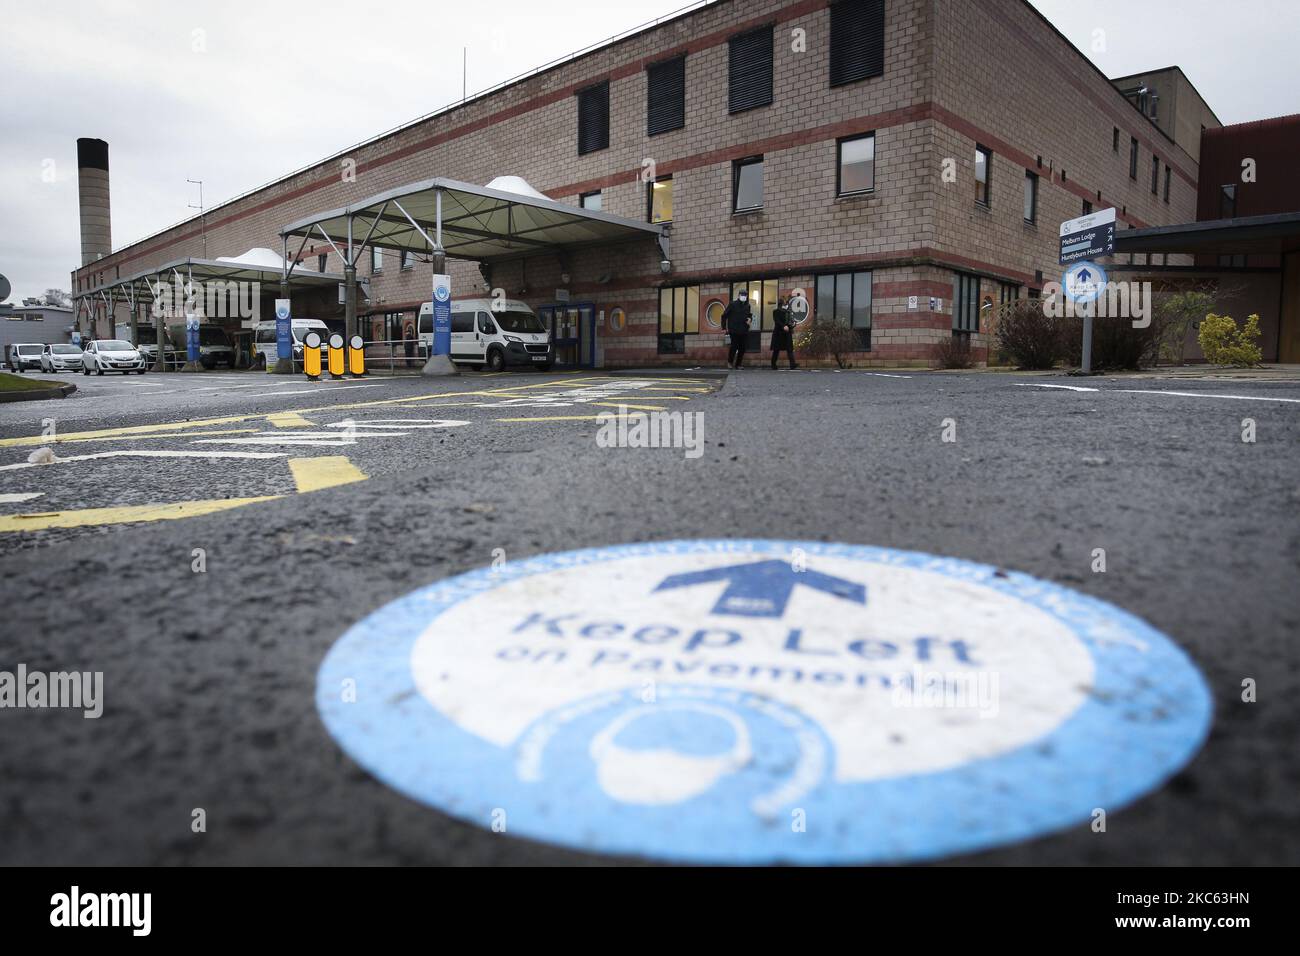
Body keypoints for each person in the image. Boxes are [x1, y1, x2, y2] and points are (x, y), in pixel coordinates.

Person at [721, 289, 753, 369]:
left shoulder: (747, 305)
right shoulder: (732, 304)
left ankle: (738, 364)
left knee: (742, 348)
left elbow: (749, 315)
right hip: (734, 329)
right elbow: (724, 315)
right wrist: (724, 327)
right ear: (739, 295)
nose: (744, 297)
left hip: (744, 330)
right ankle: (730, 362)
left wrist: (750, 319)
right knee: (734, 347)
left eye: (745, 295)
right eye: (742, 295)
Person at [770, 295, 798, 369]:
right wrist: (783, 326)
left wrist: (793, 324)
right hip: (778, 333)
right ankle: (773, 364)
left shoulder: (788, 312)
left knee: (789, 348)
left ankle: (792, 364)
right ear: (782, 304)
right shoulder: (776, 311)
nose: (787, 304)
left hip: (787, 333)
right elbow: (777, 321)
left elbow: (790, 322)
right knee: (776, 349)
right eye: (786, 303)